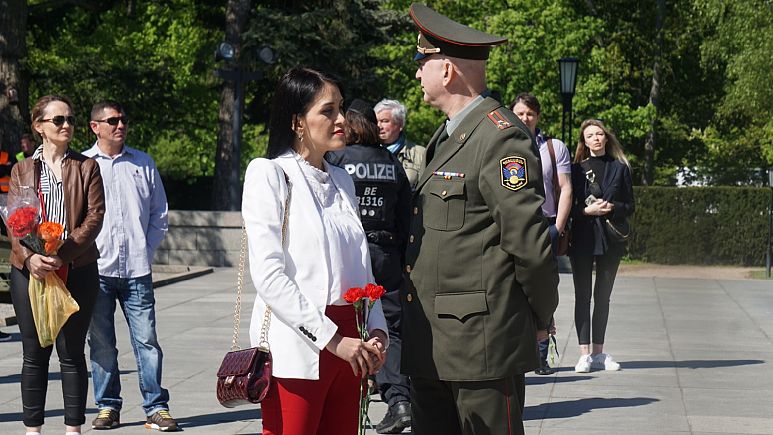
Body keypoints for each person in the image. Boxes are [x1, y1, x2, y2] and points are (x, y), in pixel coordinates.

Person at [401, 4, 559, 434]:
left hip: (481, 347)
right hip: (433, 344)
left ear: (447, 70)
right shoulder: (449, 134)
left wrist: (541, 316)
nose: (417, 73)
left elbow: (528, 244)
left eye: (422, 63)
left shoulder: (500, 137)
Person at [242, 67, 389, 435]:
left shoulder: (342, 180)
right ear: (297, 122)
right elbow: (269, 277)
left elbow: (363, 268)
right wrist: (333, 340)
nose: (341, 120)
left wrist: (377, 329)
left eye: (340, 108)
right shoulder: (270, 174)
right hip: (301, 343)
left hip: (352, 342)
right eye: (328, 111)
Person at [7, 94, 105, 435]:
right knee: (34, 353)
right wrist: (30, 257)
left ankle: (72, 429)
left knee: (71, 352)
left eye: (70, 120)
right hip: (29, 270)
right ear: (39, 126)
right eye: (58, 120)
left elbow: (94, 217)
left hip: (76, 267)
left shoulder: (87, 167)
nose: (66, 125)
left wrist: (64, 254)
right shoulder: (21, 169)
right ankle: (32, 429)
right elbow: (15, 220)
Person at [83, 101, 175, 431]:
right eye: (112, 121)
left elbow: (159, 214)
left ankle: (156, 406)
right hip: (97, 270)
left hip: (137, 271)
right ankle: (108, 406)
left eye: (123, 119)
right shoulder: (84, 165)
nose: (120, 125)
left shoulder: (143, 162)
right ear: (95, 127)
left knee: (147, 341)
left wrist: (144, 251)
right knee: (102, 344)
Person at [326, 99, 413, 434]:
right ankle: (400, 401)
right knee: (390, 329)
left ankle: (352, 400)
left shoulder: (337, 160)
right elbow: (406, 216)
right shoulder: (391, 162)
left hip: (351, 254)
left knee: (349, 324)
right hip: (386, 253)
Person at [511, 93, 572, 376]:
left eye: (530, 114)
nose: (525, 118)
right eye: (520, 113)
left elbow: (565, 187)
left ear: (537, 117)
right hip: (514, 225)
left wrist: (557, 227)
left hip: (545, 224)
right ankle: (517, 351)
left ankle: (542, 353)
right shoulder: (504, 144)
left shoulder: (553, 147)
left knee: (544, 288)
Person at [569, 119, 634, 373]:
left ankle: (599, 353)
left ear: (606, 137)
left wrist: (613, 207)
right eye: (590, 135)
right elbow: (569, 206)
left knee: (603, 296)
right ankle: (584, 354)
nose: (595, 138)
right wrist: (586, 211)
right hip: (583, 237)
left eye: (599, 134)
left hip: (610, 240)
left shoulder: (620, 168)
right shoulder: (576, 169)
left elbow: (630, 205)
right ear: (584, 142)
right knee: (582, 295)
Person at [374, 99, 426, 189]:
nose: (379, 126)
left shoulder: (421, 154)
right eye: (376, 122)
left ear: (400, 124)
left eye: (384, 121)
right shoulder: (367, 153)